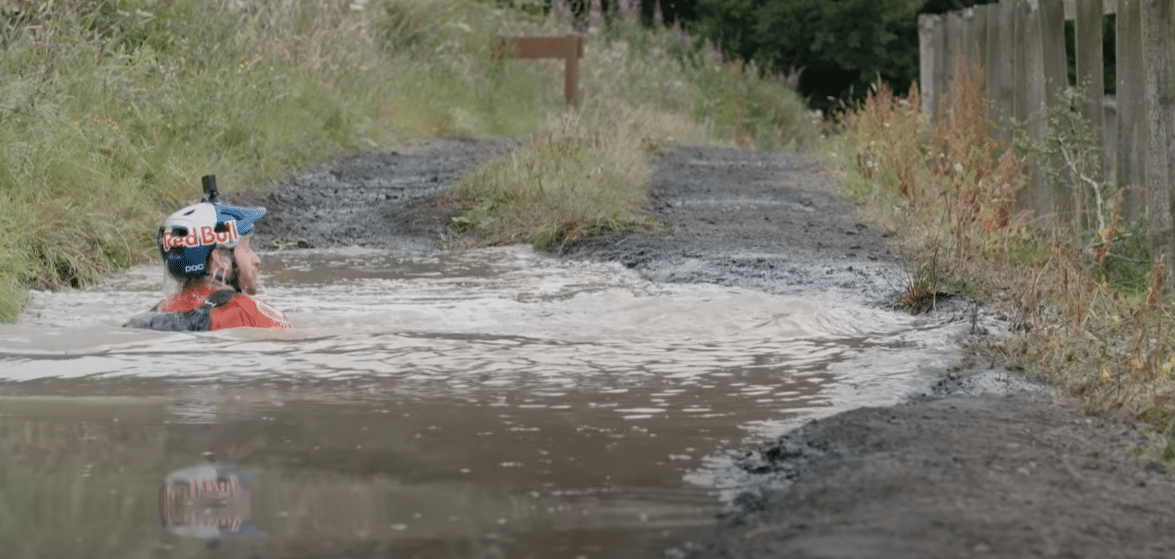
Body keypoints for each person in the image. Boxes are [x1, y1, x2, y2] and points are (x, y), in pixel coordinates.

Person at [125, 177, 291, 331]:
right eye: (246, 249)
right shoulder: (250, 313)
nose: (256, 260)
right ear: (220, 258)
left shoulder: (150, 317)